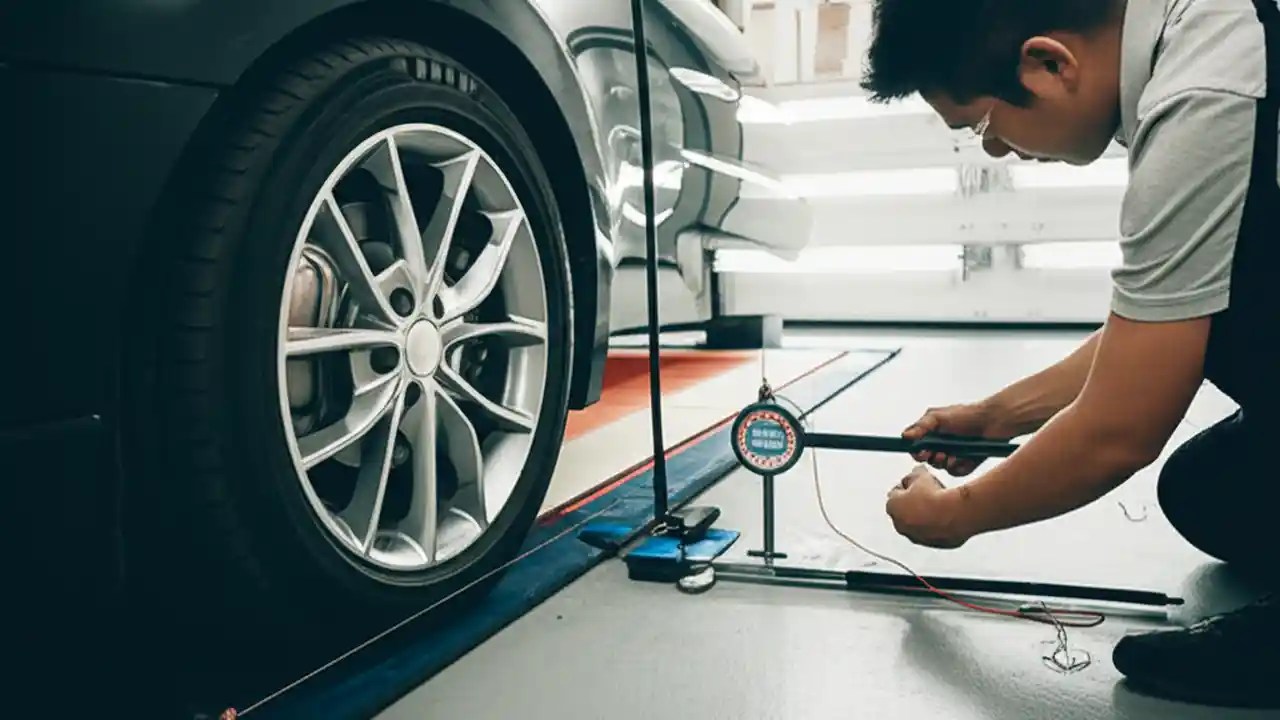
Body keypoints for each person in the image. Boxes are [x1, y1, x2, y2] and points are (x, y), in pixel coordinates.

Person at [861, 0, 1280, 708]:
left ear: (1049, 63)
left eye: (983, 126)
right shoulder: (1207, 35)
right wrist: (999, 415)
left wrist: (957, 515)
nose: (993, 151)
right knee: (1209, 492)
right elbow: (1167, 315)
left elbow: (1120, 431)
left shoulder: (1206, 92)